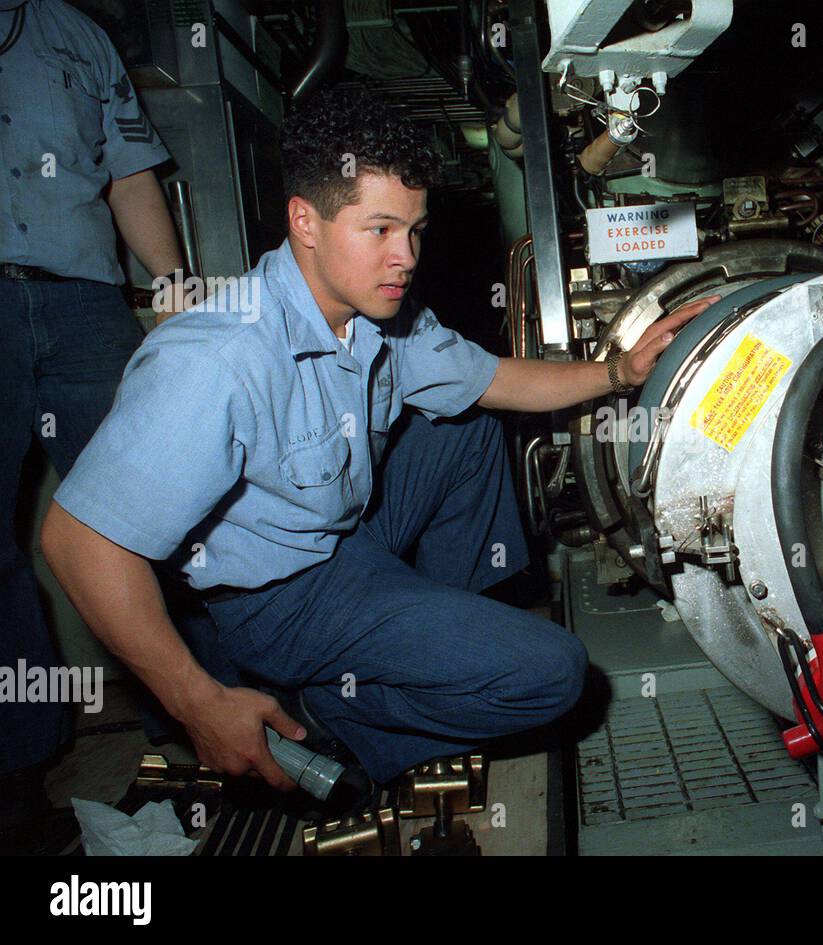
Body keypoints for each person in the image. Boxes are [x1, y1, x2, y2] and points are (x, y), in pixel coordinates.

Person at [40, 87, 717, 791]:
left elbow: (493, 381)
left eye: (417, 230)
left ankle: (422, 636)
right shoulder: (216, 359)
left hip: (348, 537)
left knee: (468, 422)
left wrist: (617, 370)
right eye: (381, 230)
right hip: (280, 601)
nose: (407, 257)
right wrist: (197, 701)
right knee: (555, 675)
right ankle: (330, 706)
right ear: (305, 220)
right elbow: (80, 542)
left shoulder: (376, 314)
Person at [0, 0, 185, 842]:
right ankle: (18, 772)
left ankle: (190, 722)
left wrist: (173, 284)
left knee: (158, 514)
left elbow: (127, 172)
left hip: (84, 305)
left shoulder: (75, 32)